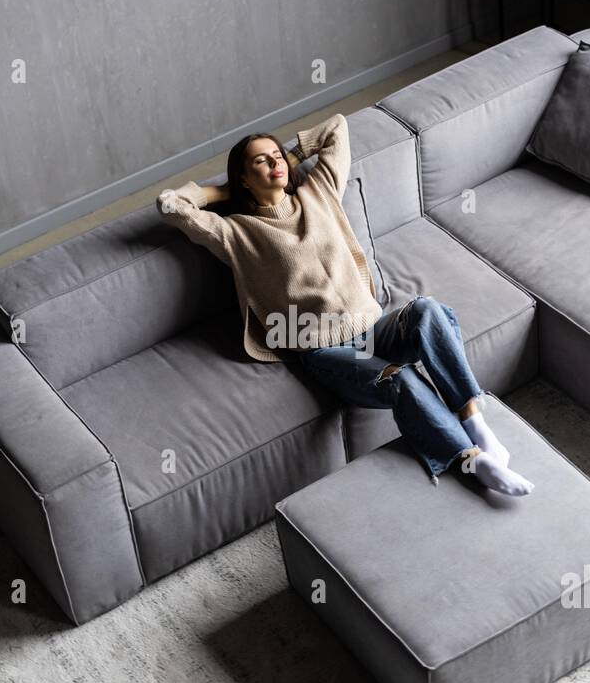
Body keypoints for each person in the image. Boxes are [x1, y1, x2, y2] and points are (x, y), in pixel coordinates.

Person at [157, 111, 533, 495]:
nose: (274, 163)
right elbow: (171, 206)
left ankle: (475, 422)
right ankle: (471, 461)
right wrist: (221, 194)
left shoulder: (318, 191)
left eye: (276, 156)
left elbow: (337, 128)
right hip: (327, 350)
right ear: (243, 177)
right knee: (399, 377)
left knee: (427, 310)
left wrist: (290, 154)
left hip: (374, 328)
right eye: (261, 160)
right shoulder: (236, 233)